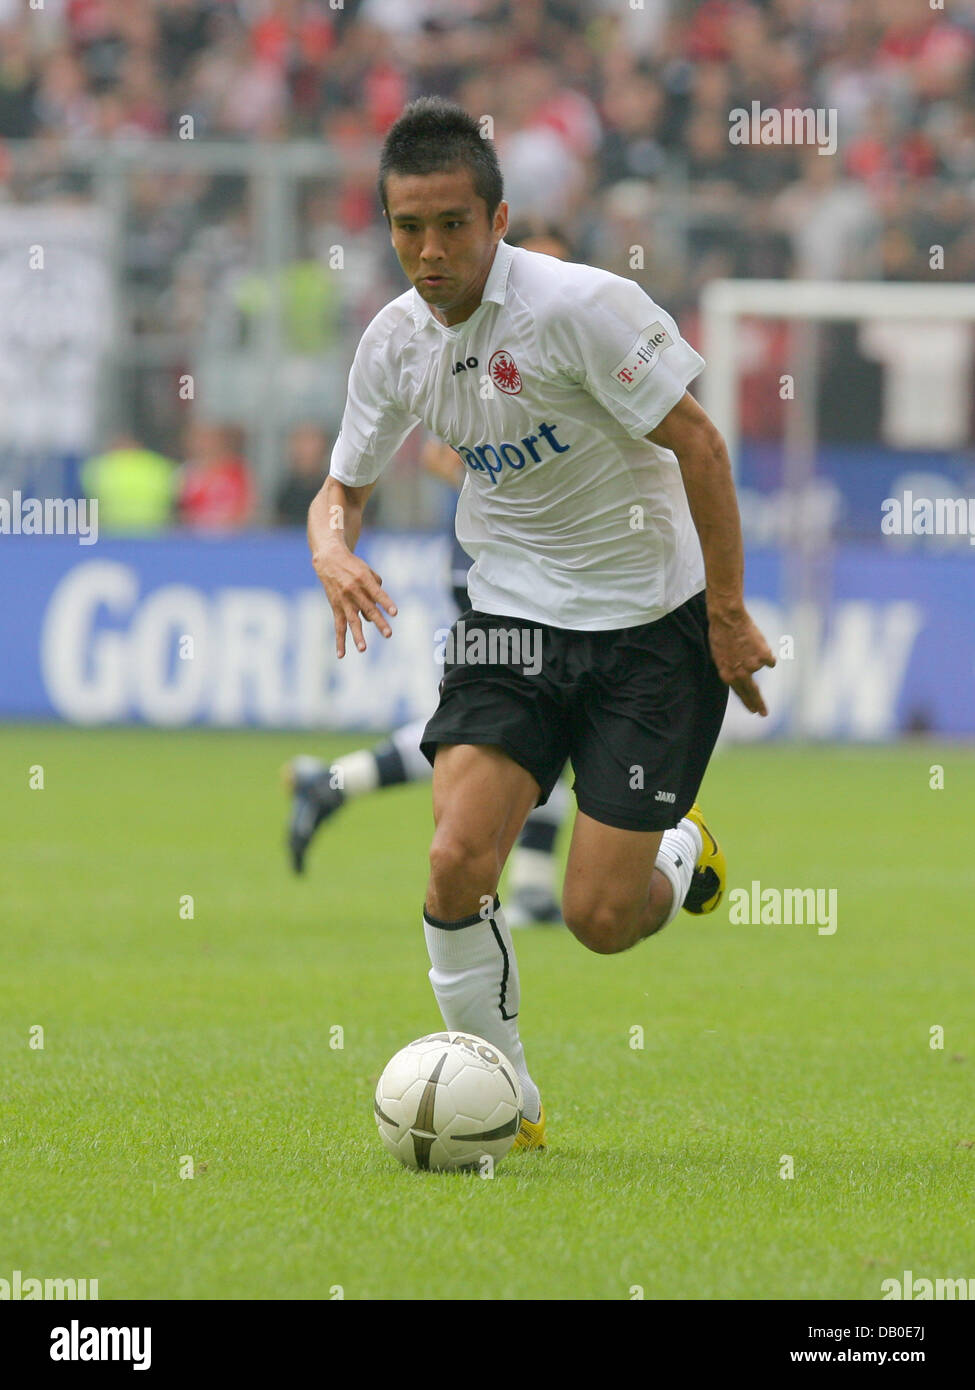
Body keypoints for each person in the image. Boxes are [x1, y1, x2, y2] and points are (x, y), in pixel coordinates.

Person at [306, 98, 775, 1151]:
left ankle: (677, 849)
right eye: (407, 227)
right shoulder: (393, 346)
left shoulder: (581, 308)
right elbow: (342, 487)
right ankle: (506, 1103)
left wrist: (729, 613)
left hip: (650, 627)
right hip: (509, 617)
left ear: (500, 218)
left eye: (452, 226)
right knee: (453, 860)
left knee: (601, 921)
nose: (429, 251)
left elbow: (701, 445)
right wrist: (332, 546)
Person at [284, 224, 576, 929]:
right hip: (488, 568)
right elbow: (438, 457)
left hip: (539, 567)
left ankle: (336, 783)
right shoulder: (477, 344)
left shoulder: (569, 333)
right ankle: (528, 884)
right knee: (518, 726)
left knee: (538, 726)